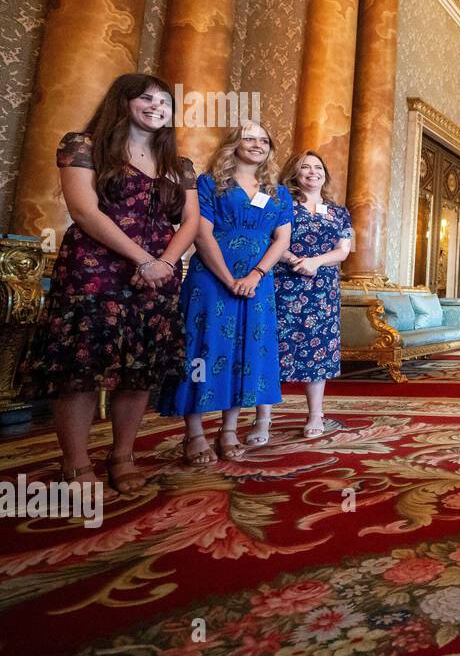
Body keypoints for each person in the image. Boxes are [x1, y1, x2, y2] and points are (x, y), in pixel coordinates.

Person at [21, 74, 199, 492]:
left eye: (165, 102)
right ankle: (76, 463)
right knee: (80, 366)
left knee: (140, 368)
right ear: (122, 102)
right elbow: (84, 211)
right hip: (94, 265)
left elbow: (190, 221)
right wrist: (143, 259)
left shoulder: (180, 164)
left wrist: (166, 263)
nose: (157, 107)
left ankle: (122, 454)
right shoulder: (83, 145)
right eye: (146, 98)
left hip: (158, 274)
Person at [158, 121, 293, 460]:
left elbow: (283, 239)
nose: (257, 144)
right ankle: (194, 434)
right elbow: (201, 233)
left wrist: (256, 274)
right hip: (211, 279)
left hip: (258, 283)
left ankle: (229, 430)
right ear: (233, 143)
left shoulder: (278, 190)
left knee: (244, 353)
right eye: (249, 137)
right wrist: (228, 278)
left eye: (264, 140)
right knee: (202, 350)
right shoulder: (210, 183)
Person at [269, 151, 353, 439]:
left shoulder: (339, 211)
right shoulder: (282, 204)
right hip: (285, 283)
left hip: (323, 289)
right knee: (275, 348)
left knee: (317, 353)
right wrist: (295, 261)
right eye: (305, 167)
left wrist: (315, 262)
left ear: (325, 174)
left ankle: (316, 415)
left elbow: (343, 250)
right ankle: (262, 418)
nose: (312, 172)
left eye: (318, 167)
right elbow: (272, 240)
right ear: (295, 172)